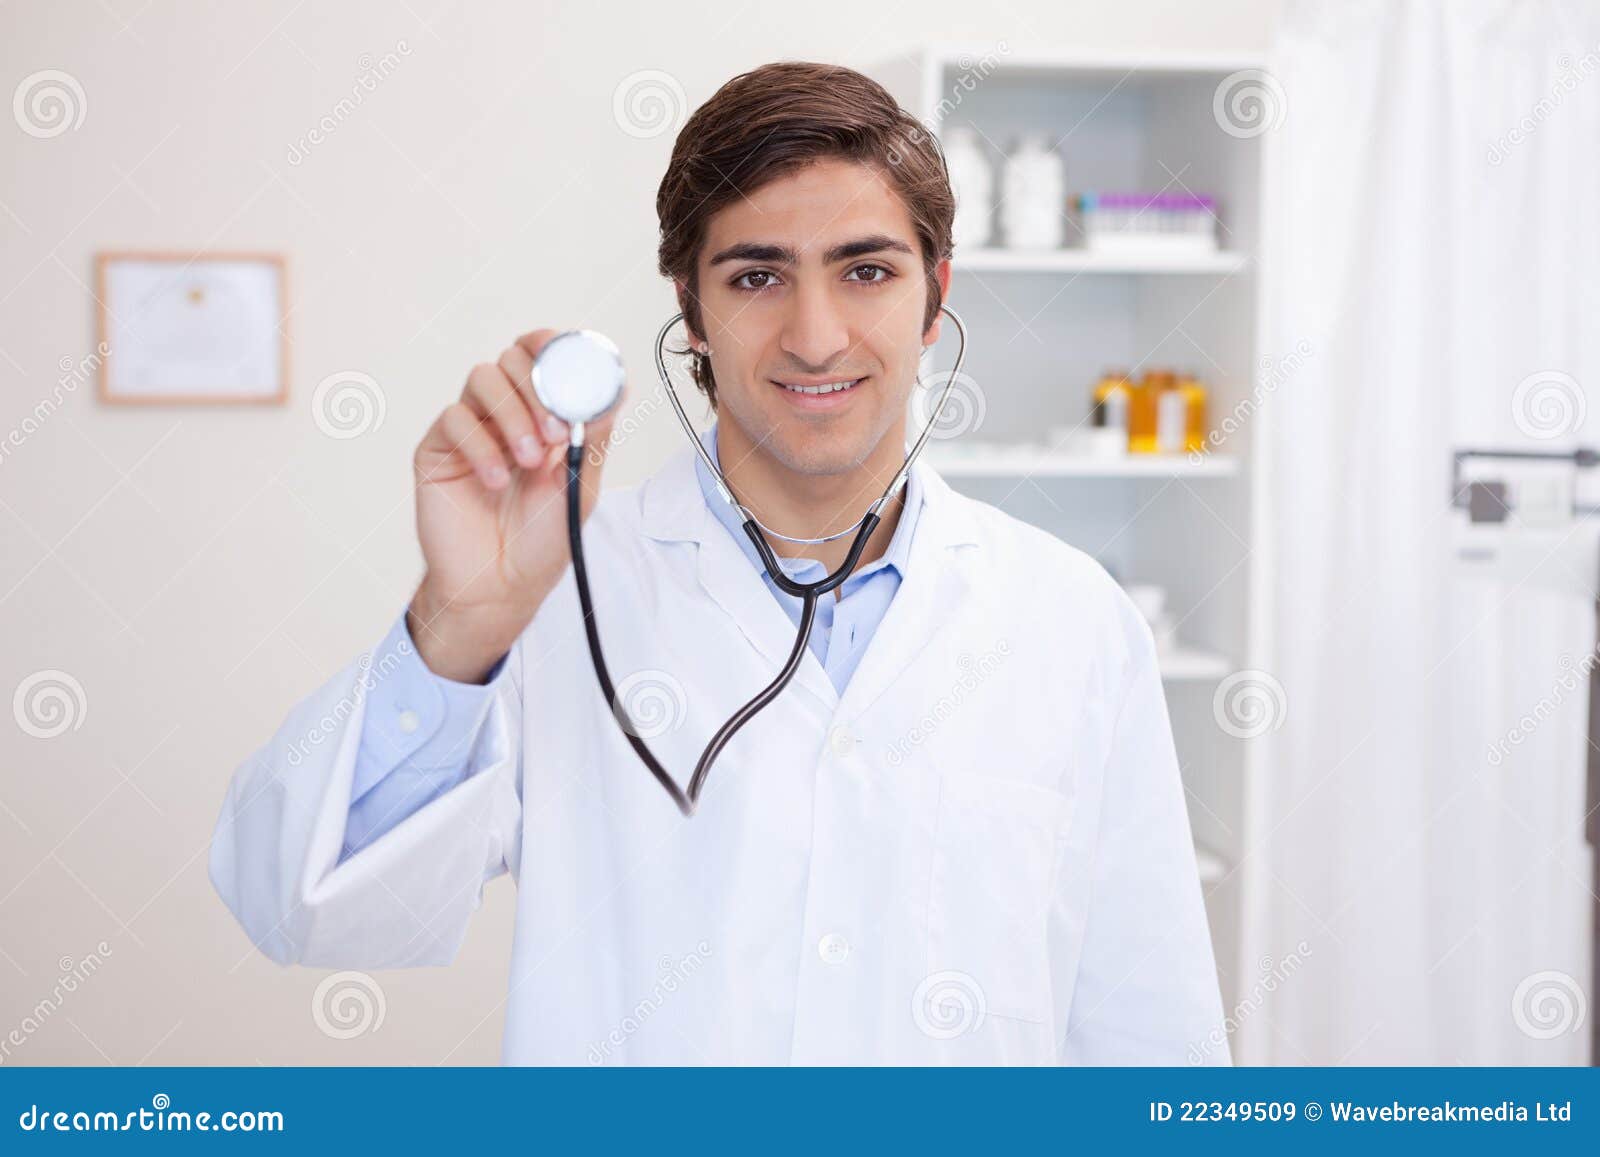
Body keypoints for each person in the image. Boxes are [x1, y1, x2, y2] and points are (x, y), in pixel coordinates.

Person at [208, 59, 1230, 1066]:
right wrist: (458, 622)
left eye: (865, 270)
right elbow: (299, 907)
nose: (816, 336)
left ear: (934, 298)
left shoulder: (1070, 619)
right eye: (756, 276)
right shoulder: (558, 595)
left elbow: (1146, 1026)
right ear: (691, 311)